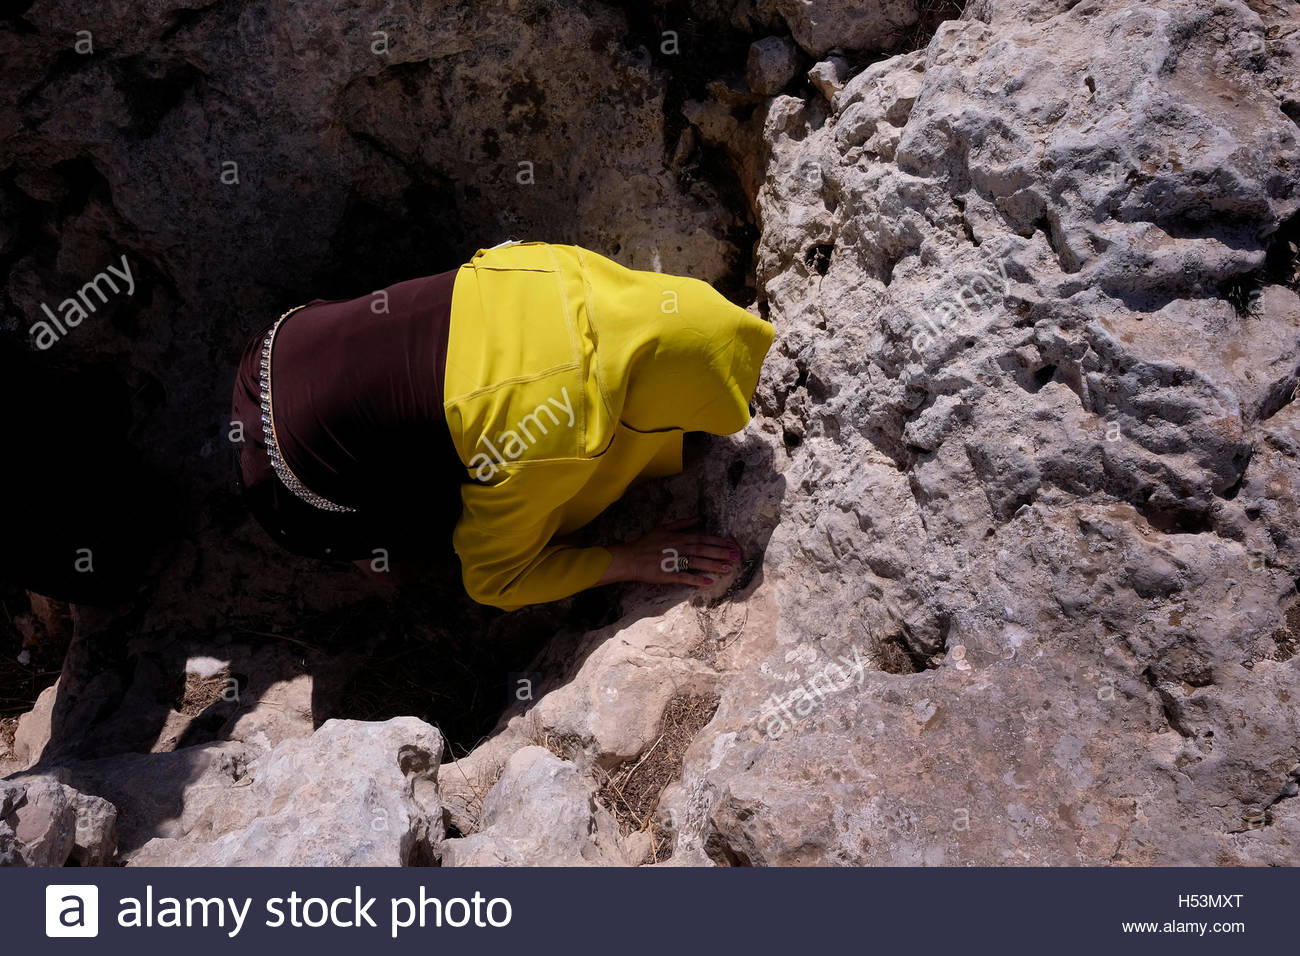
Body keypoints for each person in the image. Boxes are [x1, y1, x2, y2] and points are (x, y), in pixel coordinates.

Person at [230, 240, 774, 611]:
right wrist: (629, 558)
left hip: (282, 347)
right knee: (429, 539)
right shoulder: (562, 435)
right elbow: (494, 580)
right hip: (291, 479)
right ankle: (384, 576)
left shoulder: (569, 265)